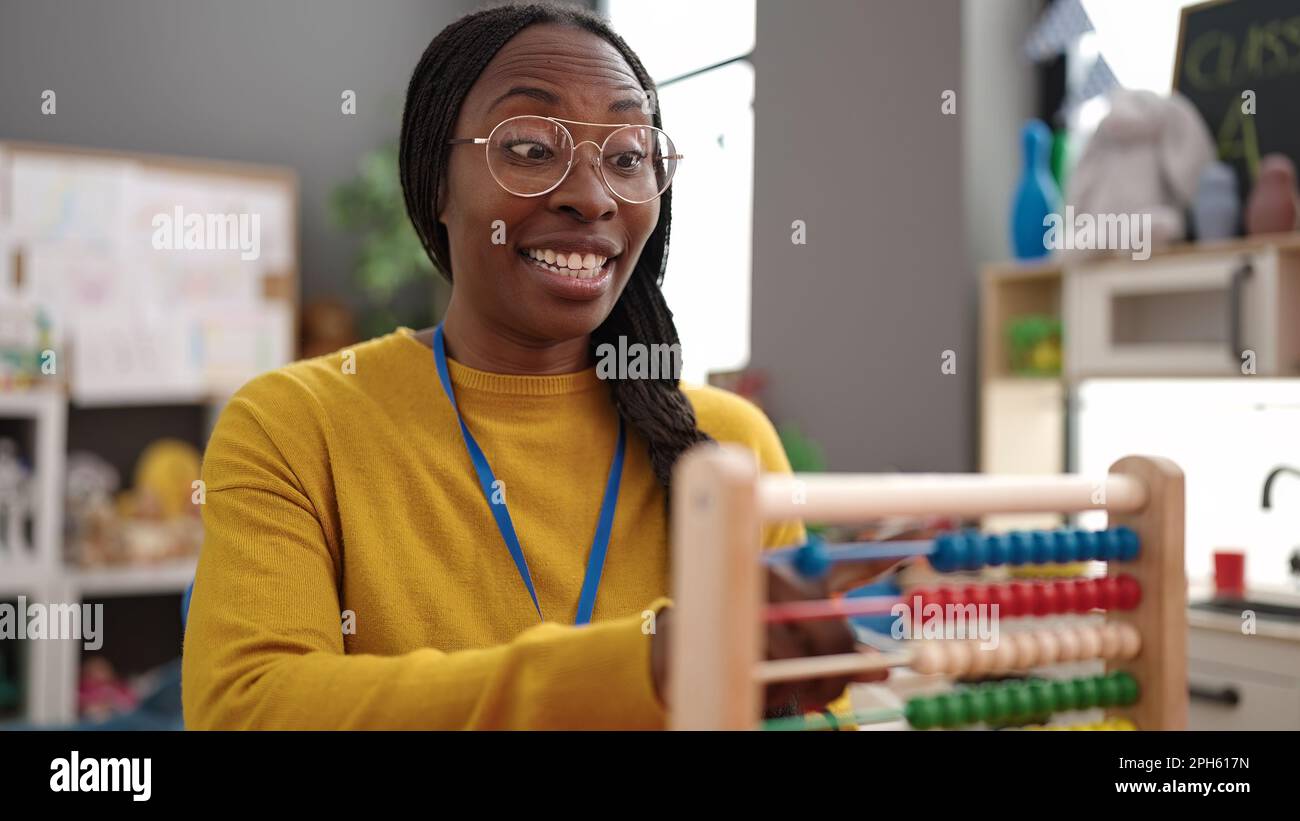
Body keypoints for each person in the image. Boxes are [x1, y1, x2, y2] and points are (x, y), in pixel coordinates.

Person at [182, 2, 890, 730]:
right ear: (435, 184)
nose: (590, 196)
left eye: (627, 157)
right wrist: (648, 666)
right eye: (527, 148)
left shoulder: (727, 445)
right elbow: (250, 708)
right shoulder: (293, 426)